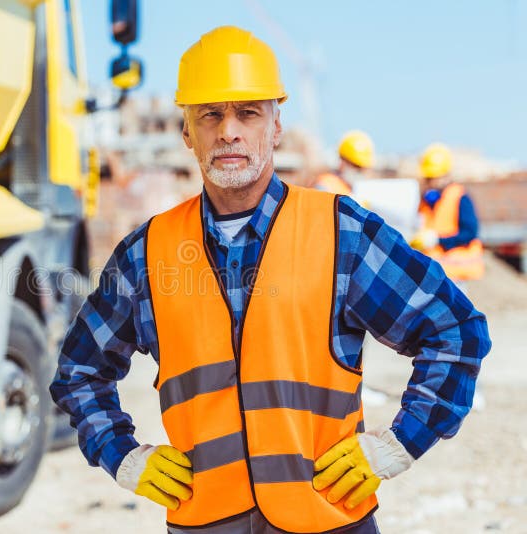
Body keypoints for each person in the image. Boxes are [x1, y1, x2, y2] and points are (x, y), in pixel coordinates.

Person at [51, 26, 491, 534]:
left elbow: (455, 332)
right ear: (187, 132)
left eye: (248, 113)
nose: (229, 131)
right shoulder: (146, 255)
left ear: (276, 126)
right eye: (210, 113)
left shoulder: (341, 232)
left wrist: (399, 444)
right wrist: (122, 455)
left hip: (327, 520)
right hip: (207, 522)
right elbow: (79, 373)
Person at [411, 143, 485, 288]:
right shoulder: (427, 200)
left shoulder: (460, 197)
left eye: (433, 178)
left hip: (456, 275)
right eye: (427, 178)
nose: (430, 182)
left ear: (446, 175)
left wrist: (438, 240)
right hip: (434, 274)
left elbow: (470, 233)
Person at [314, 130, 375, 195]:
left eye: (362, 169)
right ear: (343, 162)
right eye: (356, 166)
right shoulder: (326, 185)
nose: (360, 173)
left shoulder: (354, 190)